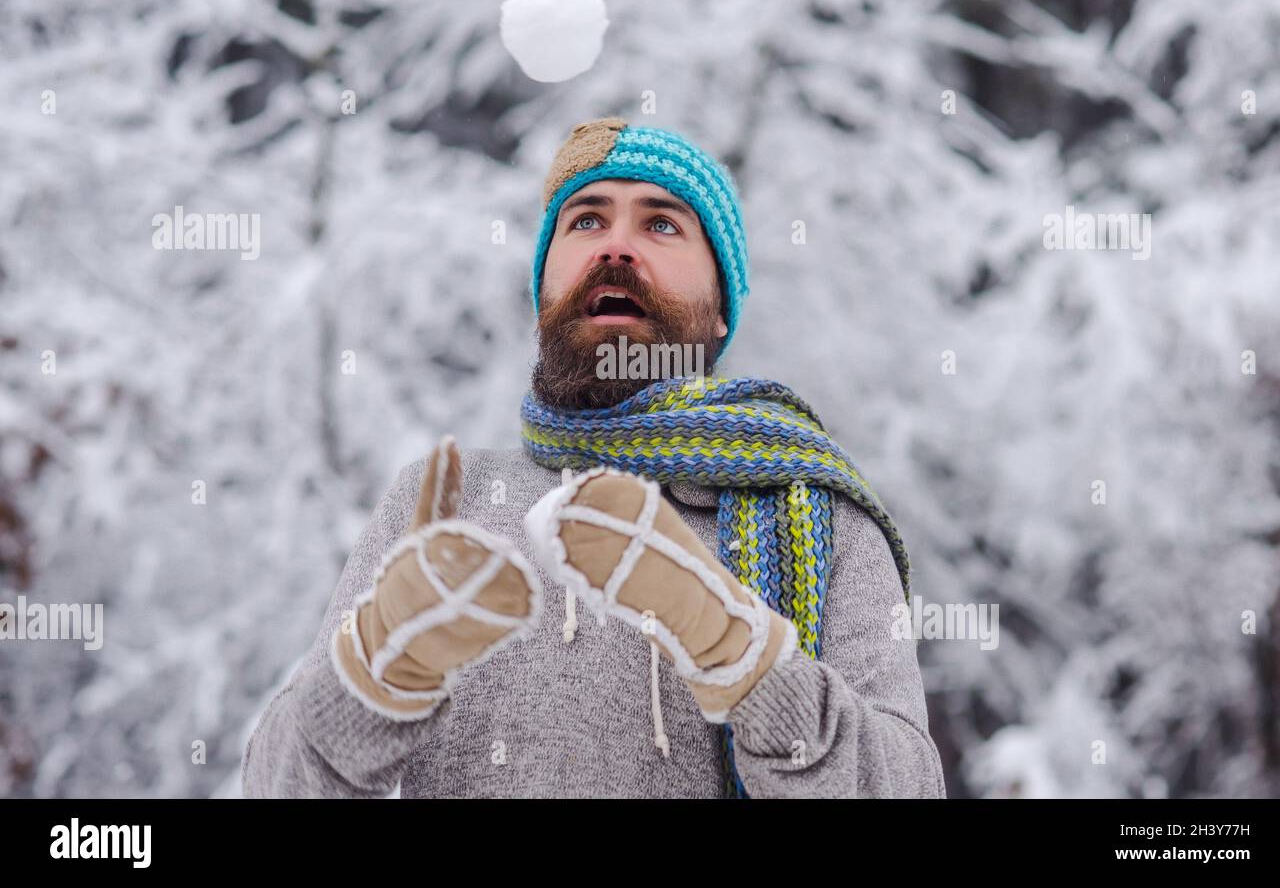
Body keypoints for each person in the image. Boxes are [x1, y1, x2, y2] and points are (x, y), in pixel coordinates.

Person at [241, 116, 946, 798]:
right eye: (585, 221)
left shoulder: (821, 516)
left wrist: (746, 655)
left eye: (661, 224)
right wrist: (370, 675)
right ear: (543, 284)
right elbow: (276, 788)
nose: (616, 248)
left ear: (722, 305)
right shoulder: (445, 507)